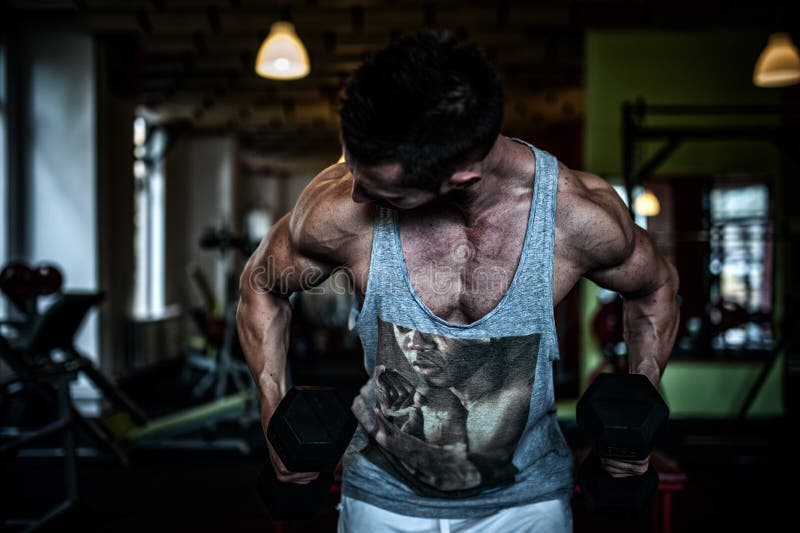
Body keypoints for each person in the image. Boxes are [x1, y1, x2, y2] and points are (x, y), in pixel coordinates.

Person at [237, 30, 680, 533]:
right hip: (382, 503)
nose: (355, 192)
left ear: (461, 180)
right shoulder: (341, 212)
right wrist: (273, 409)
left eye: (382, 190)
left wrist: (642, 396)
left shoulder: (575, 220)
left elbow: (655, 286)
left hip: (527, 505)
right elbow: (262, 285)